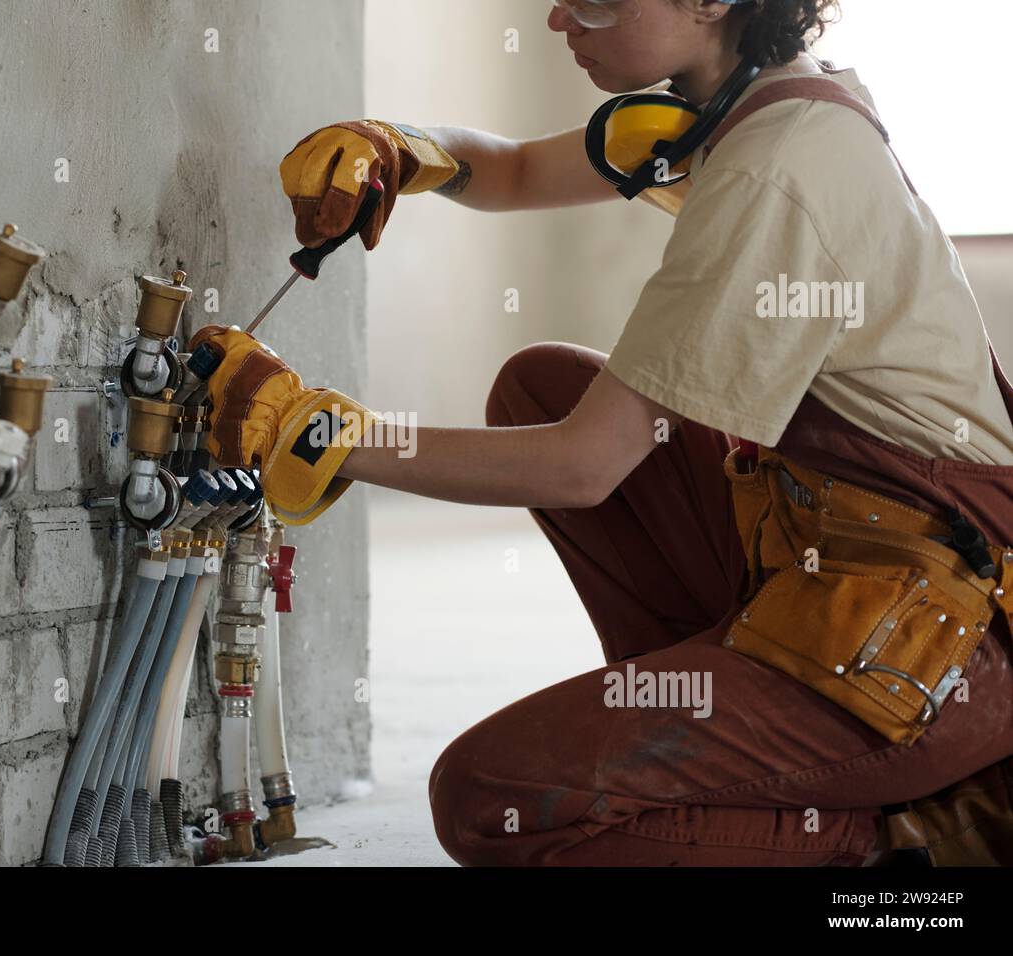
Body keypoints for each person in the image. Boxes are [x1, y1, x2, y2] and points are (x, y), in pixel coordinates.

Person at [187, 0, 1013, 865]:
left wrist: (320, 436)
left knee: (491, 800)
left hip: (931, 650)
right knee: (542, 388)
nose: (558, 21)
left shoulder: (778, 165)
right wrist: (398, 145)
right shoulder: (742, 104)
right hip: (835, 560)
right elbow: (505, 171)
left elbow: (583, 465)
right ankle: (721, 720)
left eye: (594, 0)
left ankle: (903, 843)